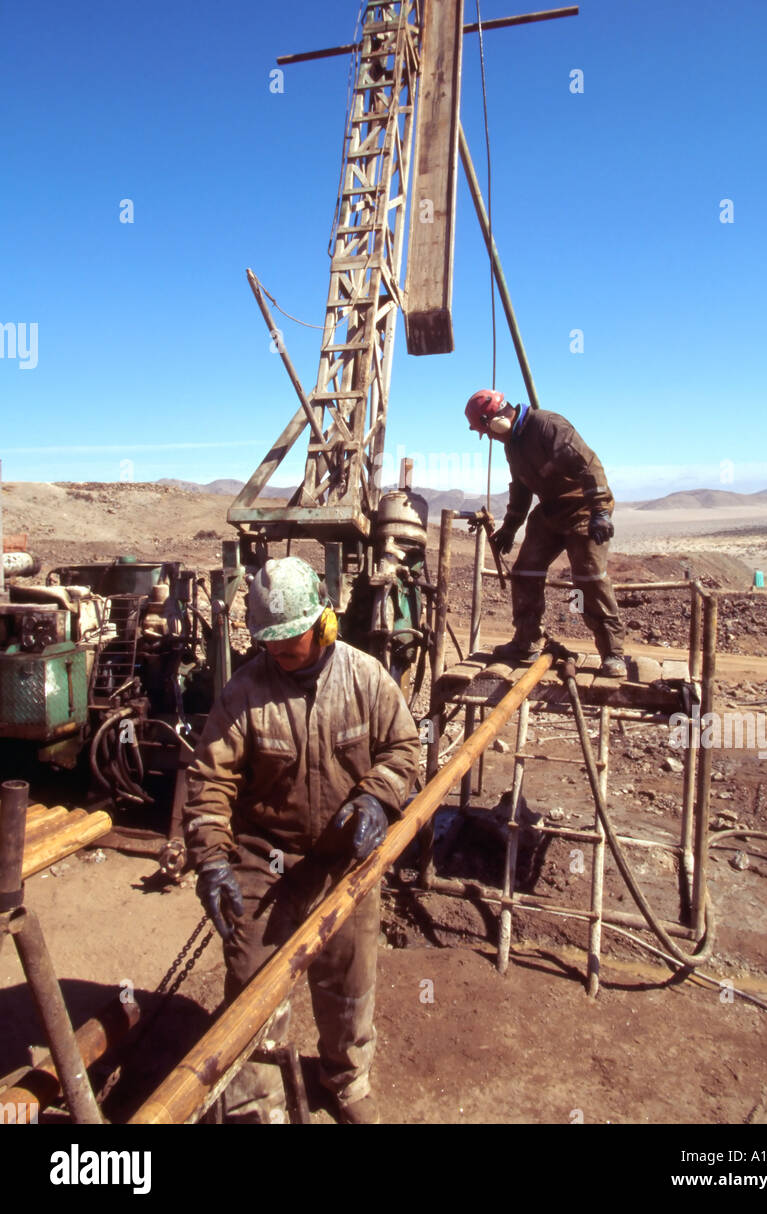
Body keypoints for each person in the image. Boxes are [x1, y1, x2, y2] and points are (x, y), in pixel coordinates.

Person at [183, 556, 420, 1124]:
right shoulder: (244, 693)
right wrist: (212, 856)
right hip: (264, 862)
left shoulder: (366, 679)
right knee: (253, 992)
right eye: (271, 643)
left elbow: (404, 752)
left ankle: (346, 1081)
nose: (281, 654)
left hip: (343, 863)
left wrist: (374, 798)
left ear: (324, 625)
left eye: (291, 641)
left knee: (349, 981)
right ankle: (256, 1105)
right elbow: (210, 780)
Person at [465, 389, 626, 678]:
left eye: (486, 430)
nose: (489, 437)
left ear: (497, 418)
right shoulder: (512, 446)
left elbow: (589, 465)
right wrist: (511, 525)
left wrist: (600, 511)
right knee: (525, 570)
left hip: (583, 508)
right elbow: (522, 488)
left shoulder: (548, 425)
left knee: (588, 577)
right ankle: (527, 642)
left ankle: (613, 653)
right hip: (551, 511)